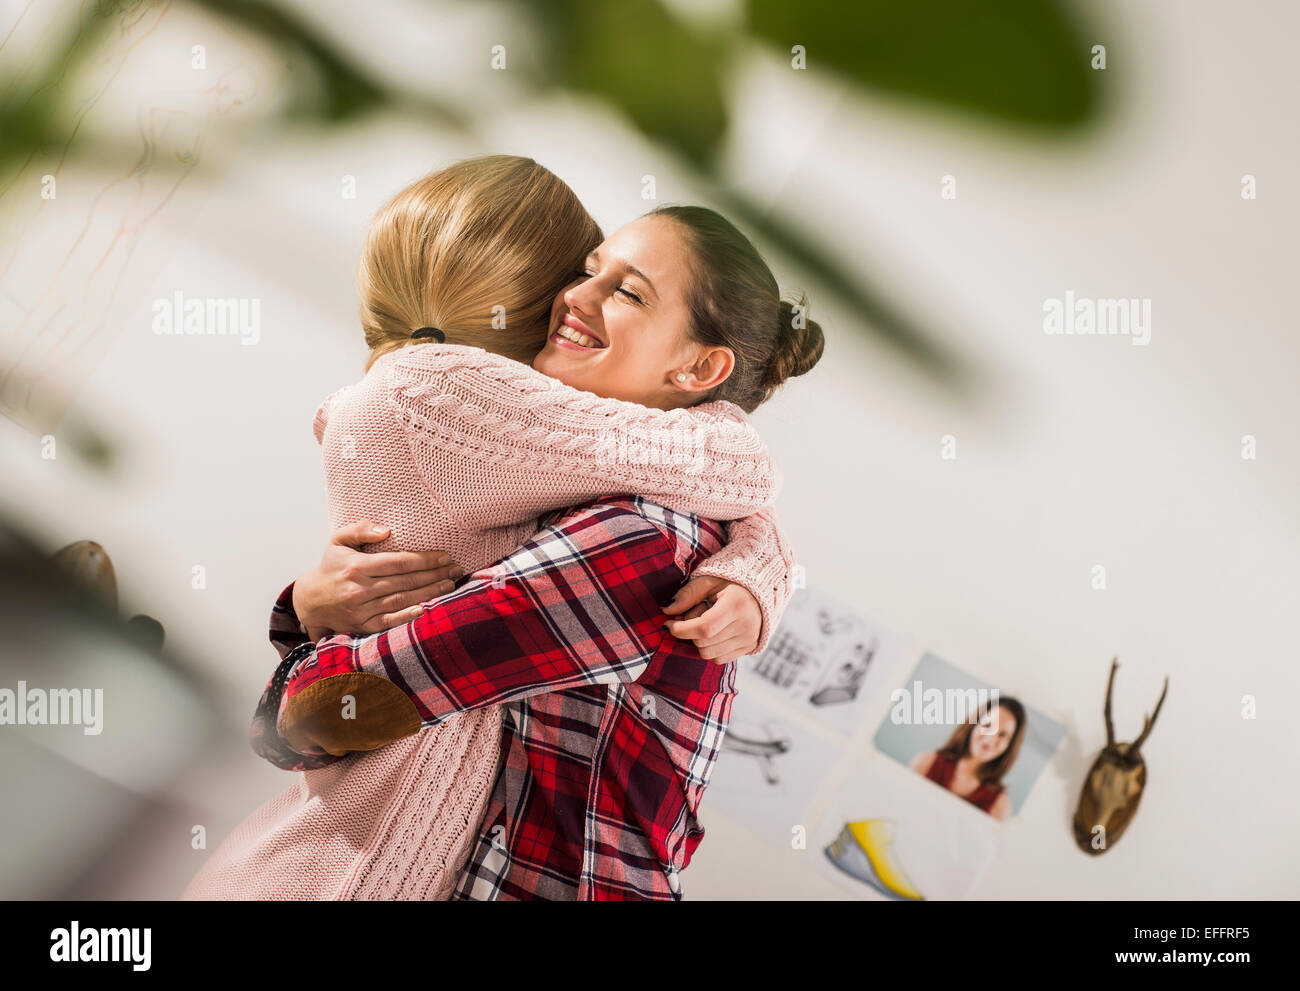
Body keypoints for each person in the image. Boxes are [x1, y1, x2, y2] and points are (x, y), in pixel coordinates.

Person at [182, 158, 822, 900]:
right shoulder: (606, 499)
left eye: (627, 292)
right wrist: (310, 607)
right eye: (588, 270)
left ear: (698, 367)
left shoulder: (642, 541)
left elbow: (320, 714)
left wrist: (306, 636)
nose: (575, 296)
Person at [909, 698, 1026, 820]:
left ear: (1009, 746)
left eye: (1003, 735)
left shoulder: (1000, 806)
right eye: (987, 725)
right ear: (973, 725)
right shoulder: (925, 762)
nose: (990, 739)